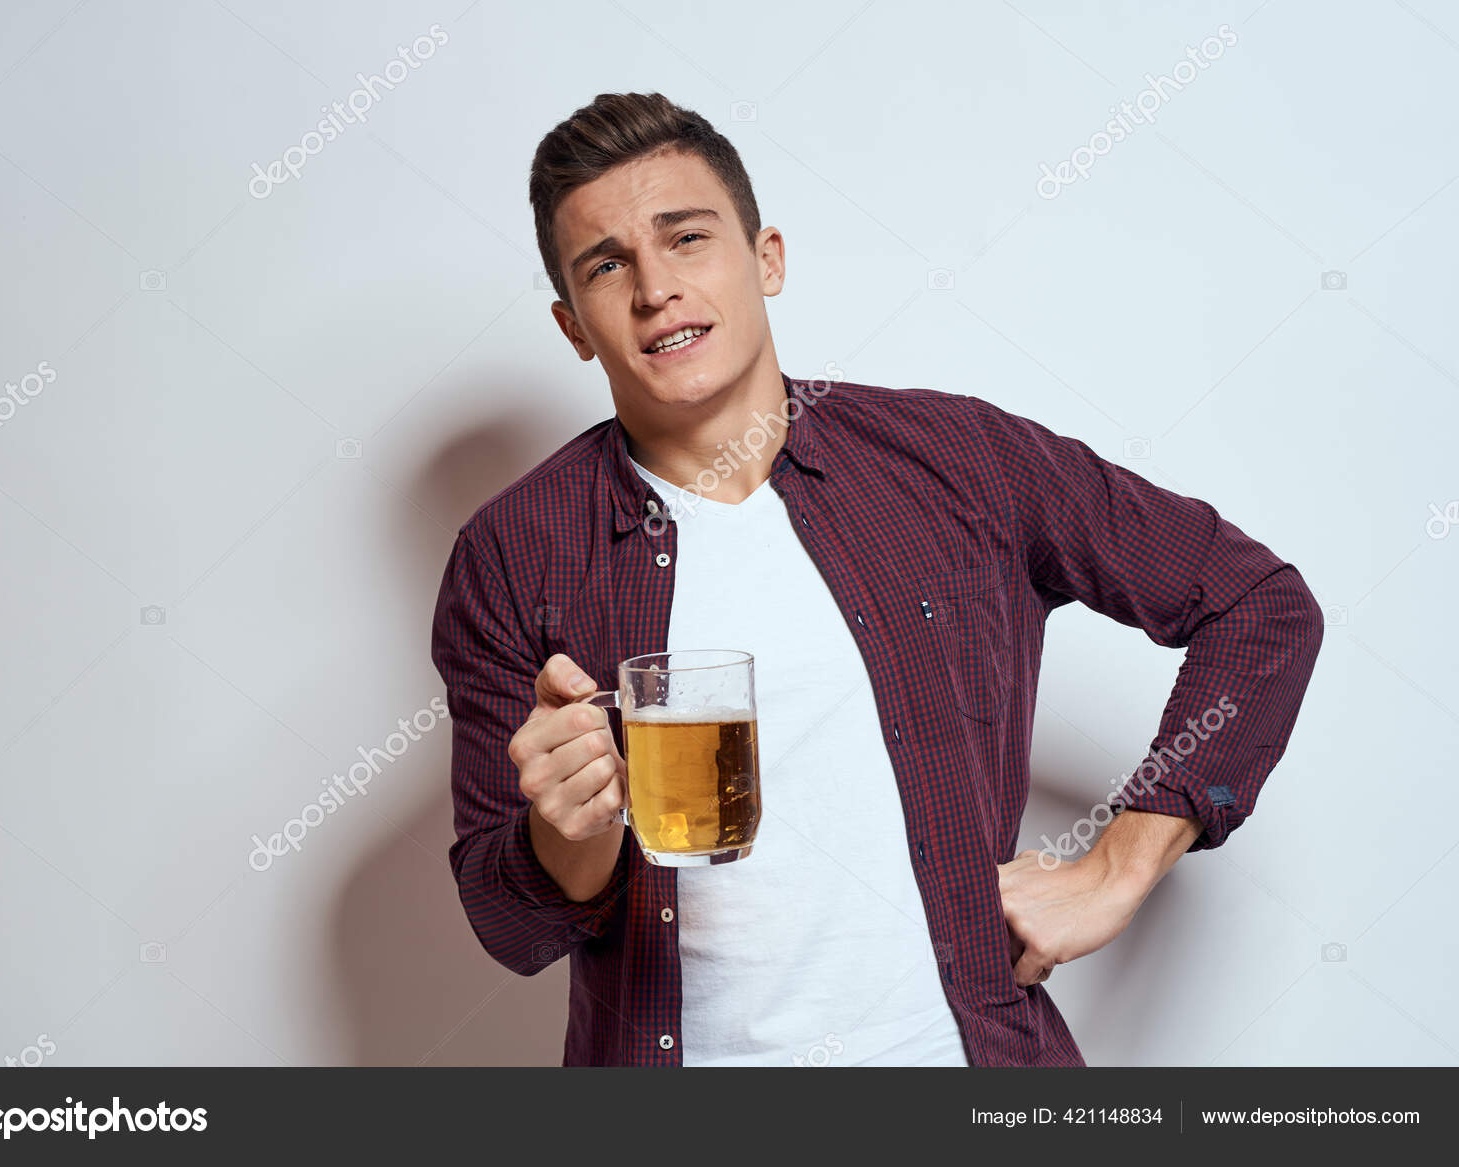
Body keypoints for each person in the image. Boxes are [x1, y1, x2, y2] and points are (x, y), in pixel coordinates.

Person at [429, 92, 1324, 1067]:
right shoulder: (513, 552)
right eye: (608, 265)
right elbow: (509, 926)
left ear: (765, 257)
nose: (654, 289)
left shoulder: (955, 461)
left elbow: (1255, 603)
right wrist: (573, 833)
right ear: (572, 325)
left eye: (685, 238)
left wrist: (1123, 859)